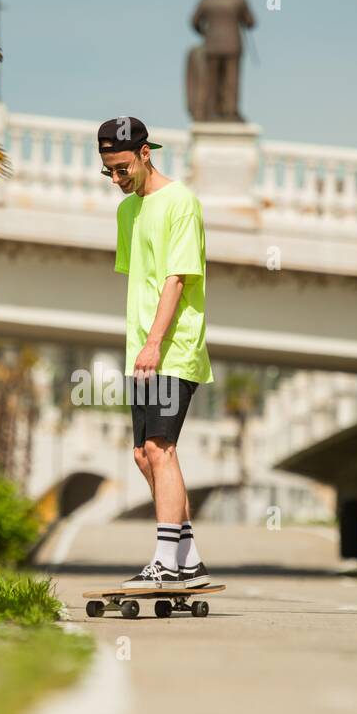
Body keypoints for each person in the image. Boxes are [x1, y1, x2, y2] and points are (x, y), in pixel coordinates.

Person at [99, 116, 214, 590]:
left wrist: (154, 342)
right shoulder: (127, 212)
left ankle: (166, 560)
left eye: (123, 168)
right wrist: (138, 347)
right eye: (108, 171)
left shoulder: (181, 202)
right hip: (143, 352)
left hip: (173, 347)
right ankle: (189, 559)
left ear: (146, 153)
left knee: (160, 449)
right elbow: (140, 280)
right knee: (143, 456)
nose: (117, 179)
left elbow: (176, 278)